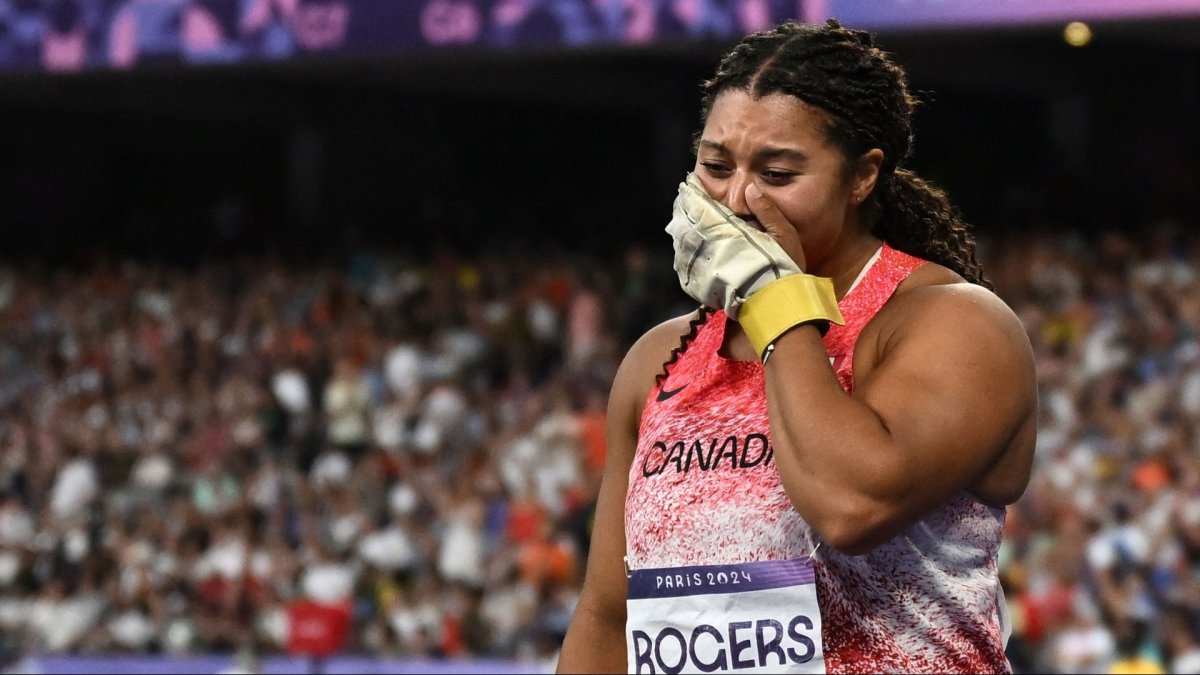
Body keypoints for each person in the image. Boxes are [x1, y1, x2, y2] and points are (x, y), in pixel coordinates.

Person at [557, 18, 1038, 674]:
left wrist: (777, 300)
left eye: (778, 173)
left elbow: (851, 505)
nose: (737, 199)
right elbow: (609, 615)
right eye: (715, 166)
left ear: (862, 176)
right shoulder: (660, 358)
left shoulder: (955, 325)